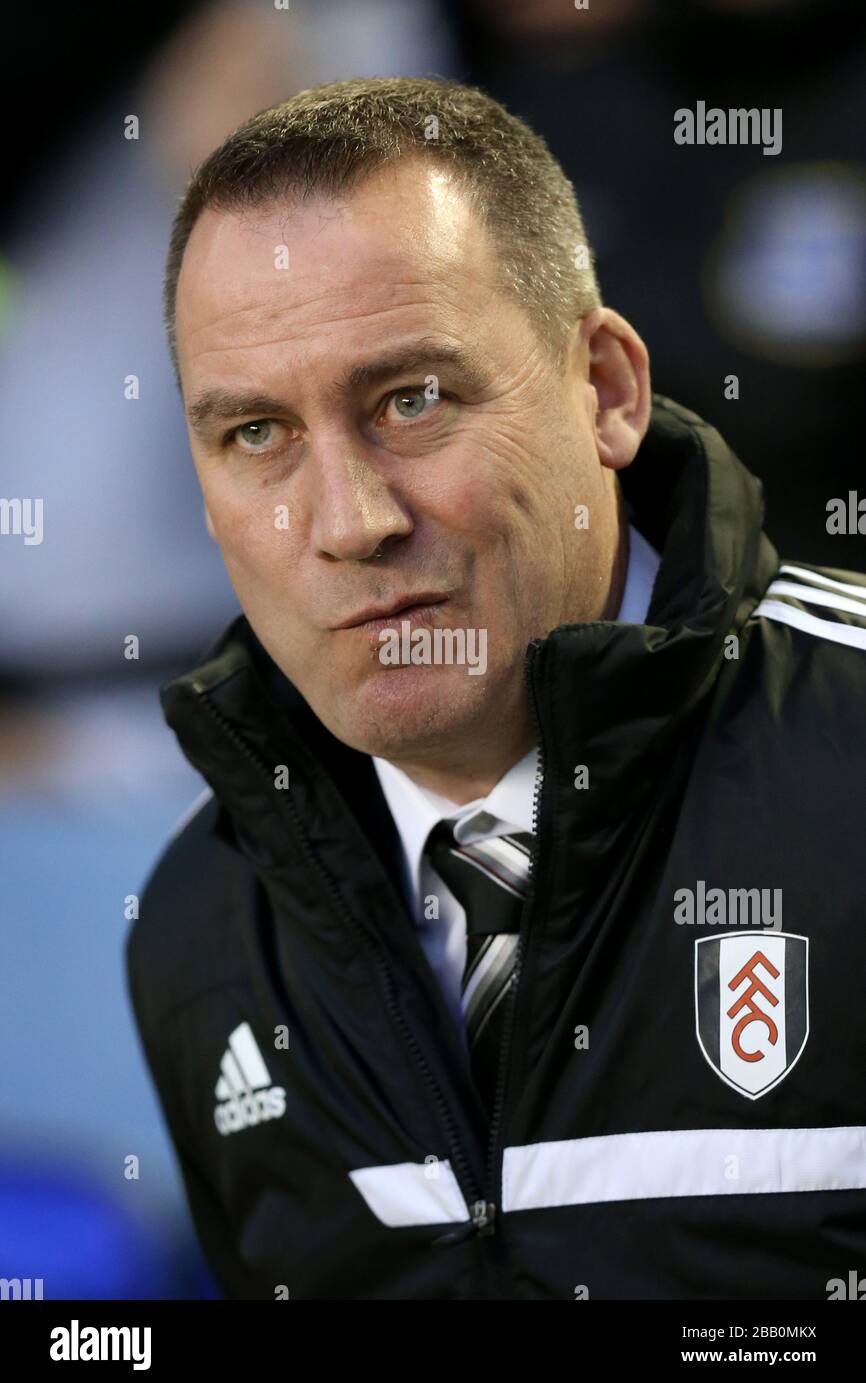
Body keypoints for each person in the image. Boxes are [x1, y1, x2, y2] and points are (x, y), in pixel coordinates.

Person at [126, 76, 866, 1300]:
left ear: (607, 391)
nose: (348, 523)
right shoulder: (205, 930)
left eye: (410, 400)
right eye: (255, 434)